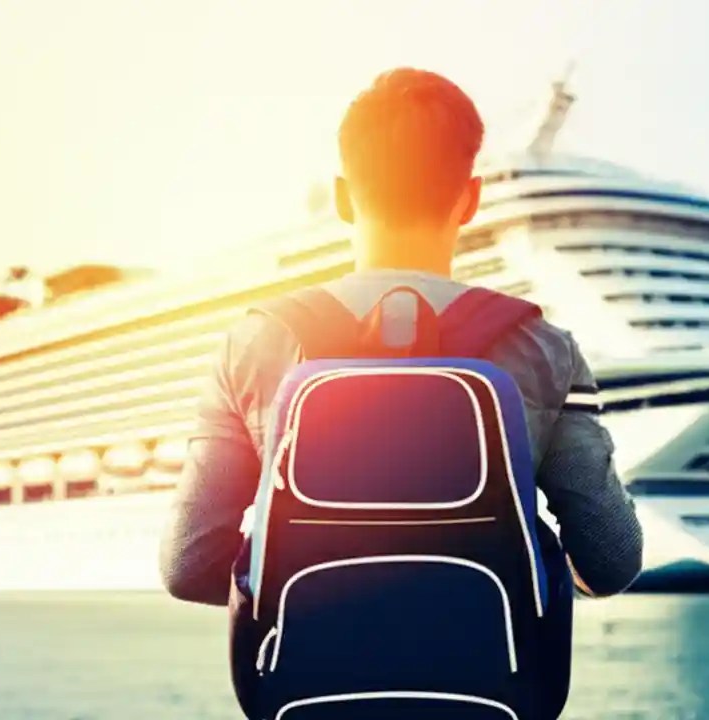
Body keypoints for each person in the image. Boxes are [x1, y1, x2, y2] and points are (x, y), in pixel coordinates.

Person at [160, 67, 642, 607]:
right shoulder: (546, 349)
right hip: (491, 681)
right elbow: (609, 562)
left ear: (342, 199)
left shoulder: (253, 342)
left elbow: (188, 566)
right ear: (471, 199)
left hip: (309, 684)